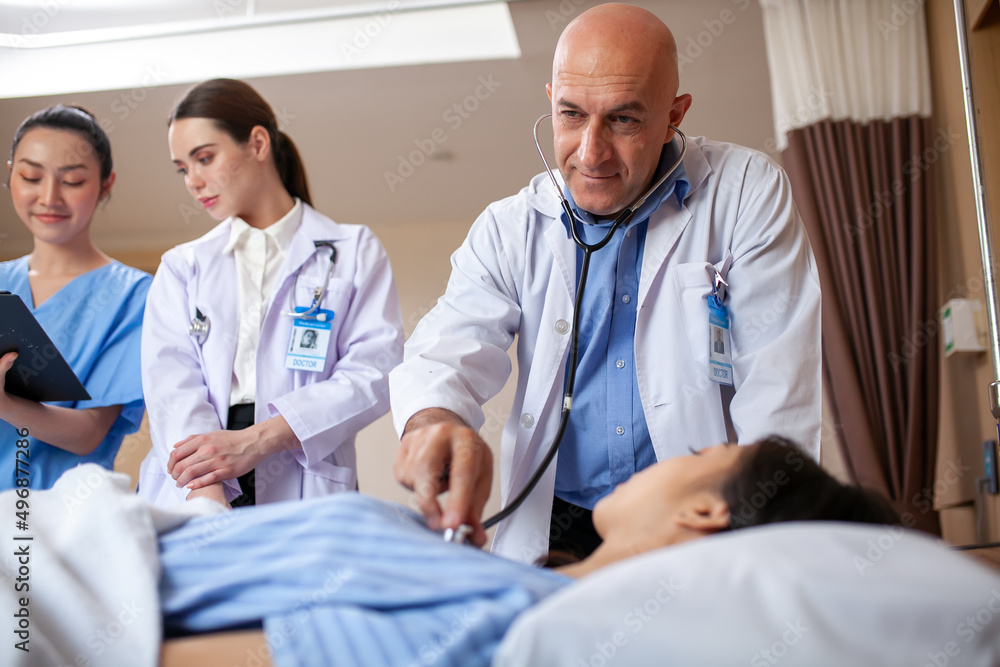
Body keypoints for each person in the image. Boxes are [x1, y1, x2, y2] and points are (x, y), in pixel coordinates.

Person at [390, 2, 823, 564]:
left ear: (674, 115)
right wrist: (435, 424)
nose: (591, 152)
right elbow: (444, 356)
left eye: (623, 119)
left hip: (693, 513)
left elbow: (778, 390)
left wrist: (767, 550)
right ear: (551, 100)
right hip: (557, 520)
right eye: (571, 115)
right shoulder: (510, 228)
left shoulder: (744, 193)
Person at [157, 437, 897, 666]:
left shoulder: (505, 623)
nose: (679, 451)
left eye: (705, 449)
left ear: (705, 510)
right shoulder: (495, 584)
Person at [137, 79, 404, 508]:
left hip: (298, 456)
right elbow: (172, 385)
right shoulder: (182, 266)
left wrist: (259, 441)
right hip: (199, 476)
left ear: (257, 143)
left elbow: (373, 371)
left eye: (204, 158)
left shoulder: (352, 250)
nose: (193, 181)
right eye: (183, 168)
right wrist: (207, 497)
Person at [0, 105, 151, 490]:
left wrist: (4, 402)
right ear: (10, 175)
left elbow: (88, 434)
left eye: (72, 181)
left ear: (105, 185)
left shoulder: (134, 295)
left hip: (63, 518)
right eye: (31, 176)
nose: (49, 197)